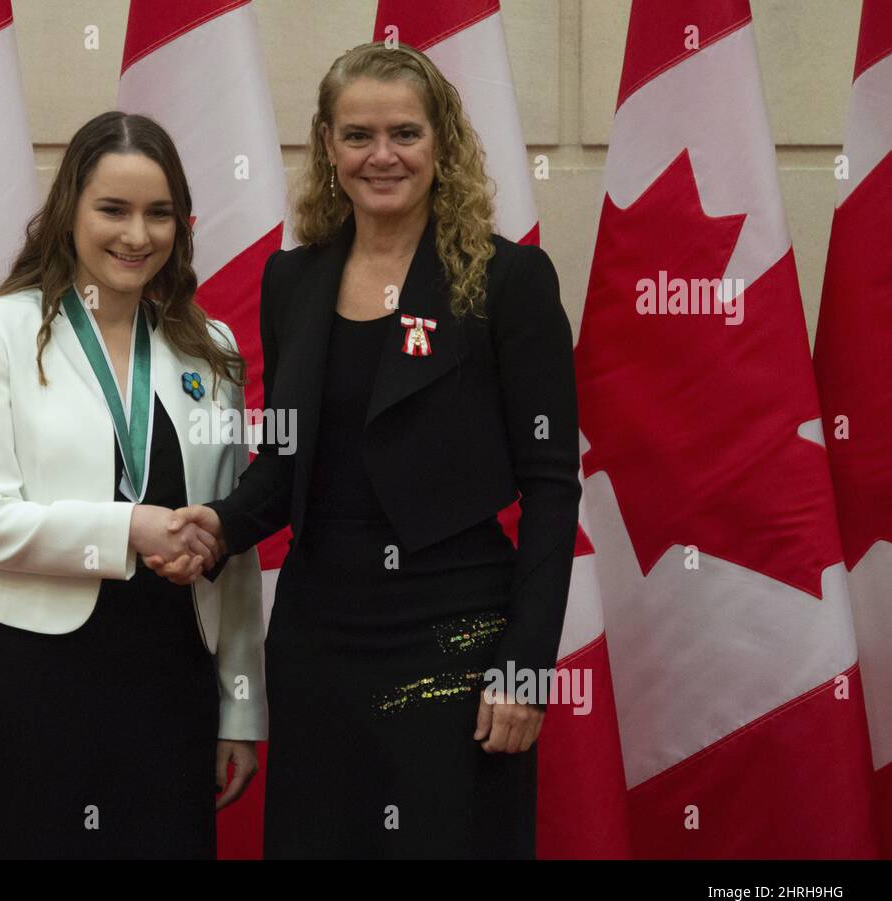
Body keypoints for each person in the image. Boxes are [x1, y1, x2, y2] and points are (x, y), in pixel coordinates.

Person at [148, 42, 581, 859]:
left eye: (404, 134)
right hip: (322, 637)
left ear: (442, 144)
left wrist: (525, 668)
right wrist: (216, 526)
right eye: (357, 135)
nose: (381, 156)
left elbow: (553, 487)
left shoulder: (508, 280)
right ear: (327, 146)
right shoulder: (293, 279)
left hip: (456, 634)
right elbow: (286, 464)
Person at [0, 112, 266, 859]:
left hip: (169, 685)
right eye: (112, 210)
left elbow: (231, 540)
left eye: (158, 214)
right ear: (69, 213)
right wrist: (128, 530)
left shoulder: (209, 348)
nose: (136, 236)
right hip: (30, 683)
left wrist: (240, 709)